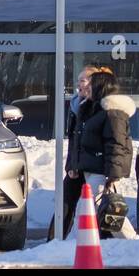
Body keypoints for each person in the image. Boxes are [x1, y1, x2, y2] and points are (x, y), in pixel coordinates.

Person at [75, 69, 137, 239]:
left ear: (100, 87)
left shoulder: (113, 112)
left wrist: (112, 176)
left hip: (102, 172)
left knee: (87, 210)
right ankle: (133, 243)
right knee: (110, 213)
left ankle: (73, 246)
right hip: (95, 169)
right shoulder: (96, 109)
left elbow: (116, 144)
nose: (86, 87)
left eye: (91, 84)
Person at [54, 64, 99, 240]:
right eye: (78, 80)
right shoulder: (75, 105)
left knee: (97, 206)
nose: (79, 84)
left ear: (93, 83)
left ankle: (118, 242)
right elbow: (74, 140)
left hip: (92, 164)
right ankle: (54, 242)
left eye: (83, 80)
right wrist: (71, 165)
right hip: (77, 164)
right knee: (64, 204)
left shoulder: (97, 106)